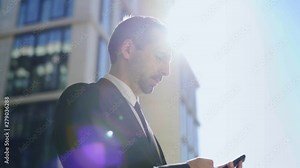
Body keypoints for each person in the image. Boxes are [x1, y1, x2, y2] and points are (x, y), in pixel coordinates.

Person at [53, 16, 243, 168]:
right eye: (160, 57)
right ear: (127, 49)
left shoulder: (143, 123)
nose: (166, 71)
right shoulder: (81, 98)